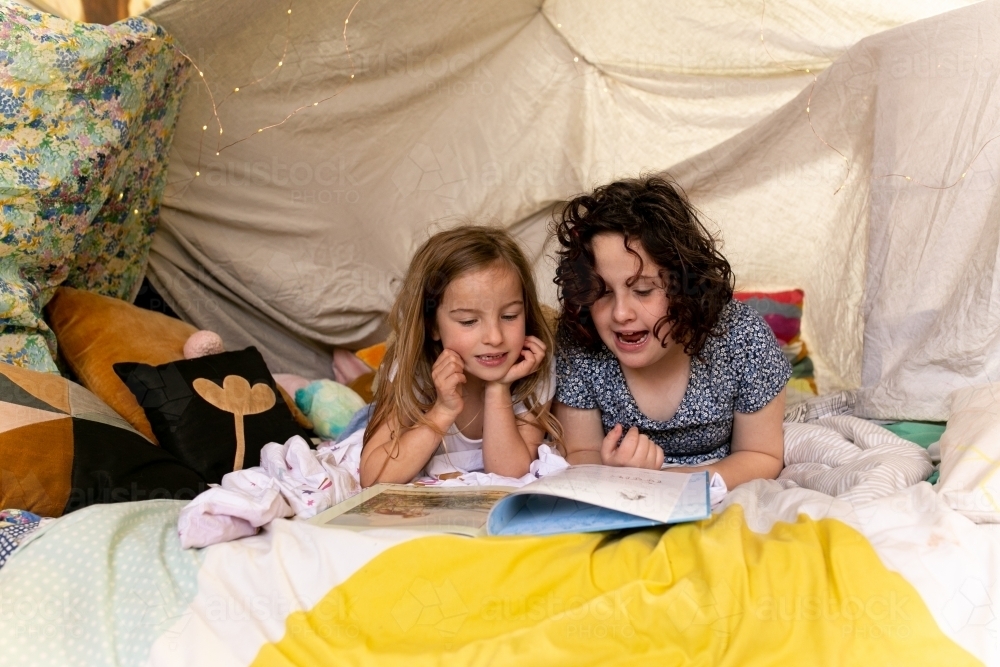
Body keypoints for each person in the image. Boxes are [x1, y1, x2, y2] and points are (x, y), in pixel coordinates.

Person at [552, 175, 790, 489]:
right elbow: (580, 451)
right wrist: (614, 473)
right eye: (602, 292)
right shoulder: (579, 344)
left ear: (685, 286)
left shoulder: (741, 336)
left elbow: (760, 454)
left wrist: (671, 483)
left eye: (643, 290)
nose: (621, 314)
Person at [360, 226, 560, 487]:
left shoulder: (534, 370)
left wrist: (499, 388)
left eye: (510, 316)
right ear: (432, 325)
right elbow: (372, 477)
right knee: (357, 424)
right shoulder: (414, 372)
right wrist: (443, 410)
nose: (495, 337)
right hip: (406, 412)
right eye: (468, 321)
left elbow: (510, 475)